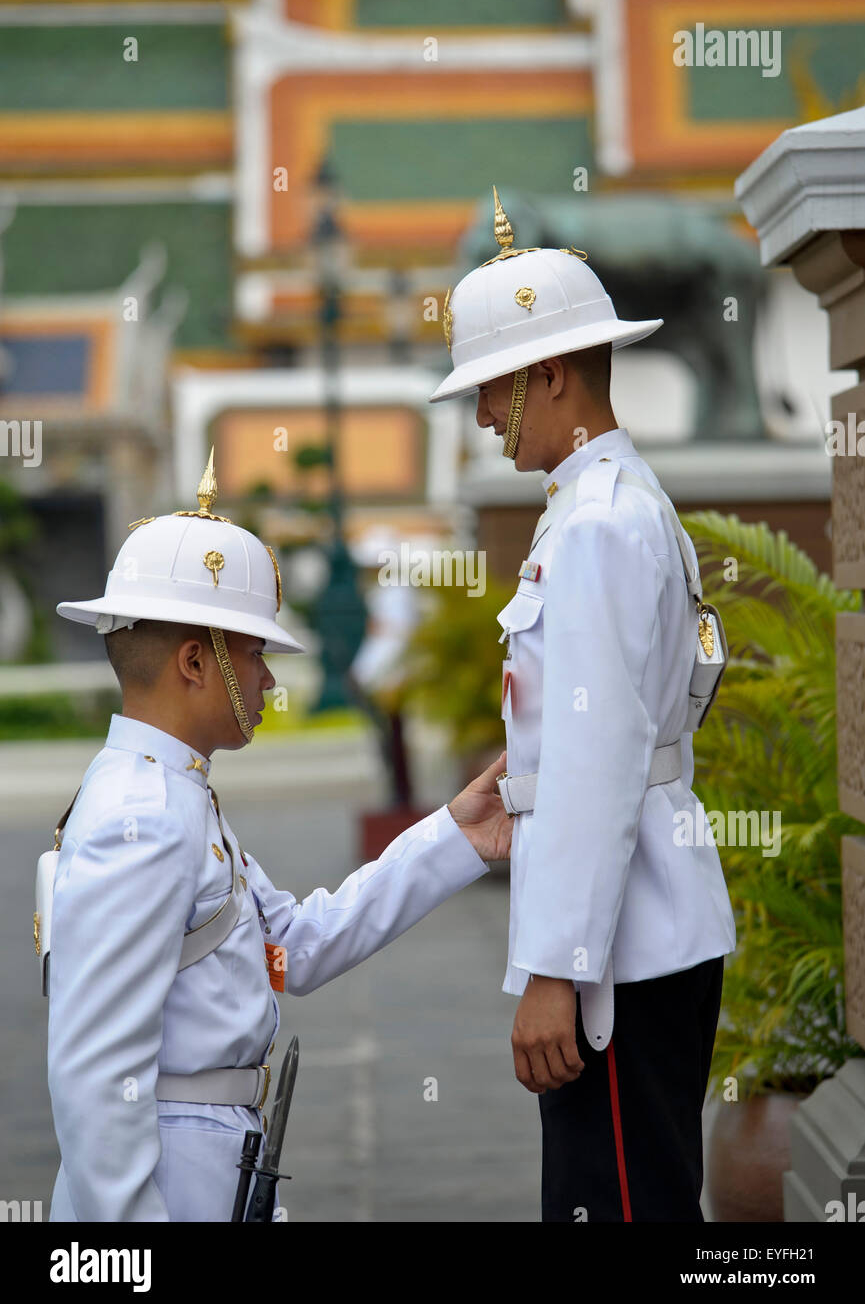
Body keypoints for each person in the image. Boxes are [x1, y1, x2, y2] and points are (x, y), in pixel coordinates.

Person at [42, 453, 511, 1222]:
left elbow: (292, 944)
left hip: (206, 1150)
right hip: (164, 1175)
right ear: (194, 662)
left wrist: (453, 838)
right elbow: (96, 1075)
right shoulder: (146, 817)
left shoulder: (173, 794)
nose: (268, 679)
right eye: (255, 653)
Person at [428, 188, 737, 1222]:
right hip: (643, 920)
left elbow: (596, 763)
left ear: (553, 374)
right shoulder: (613, 505)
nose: (479, 414)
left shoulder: (597, 527)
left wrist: (556, 971)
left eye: (493, 387)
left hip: (620, 947)